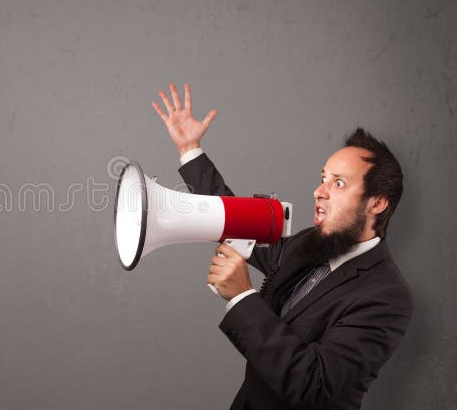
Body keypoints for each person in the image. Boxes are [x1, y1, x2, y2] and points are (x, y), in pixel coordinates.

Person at [151, 84, 413, 410]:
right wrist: (190, 150)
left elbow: (315, 387)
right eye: (323, 178)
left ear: (377, 203)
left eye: (338, 183)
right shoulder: (308, 244)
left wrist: (242, 297)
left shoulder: (387, 297)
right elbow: (236, 223)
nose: (319, 191)